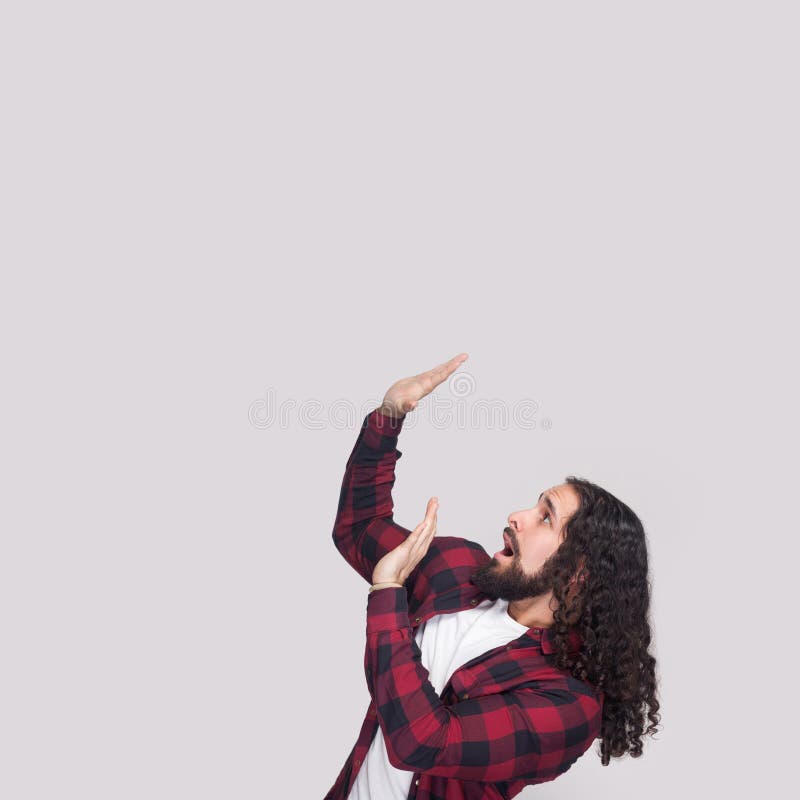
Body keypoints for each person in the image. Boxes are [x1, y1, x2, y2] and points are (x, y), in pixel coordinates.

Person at [323, 353, 660, 800]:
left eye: (545, 517)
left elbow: (422, 741)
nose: (517, 516)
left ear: (578, 573)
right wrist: (388, 418)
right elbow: (358, 528)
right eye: (534, 504)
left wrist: (388, 593)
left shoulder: (568, 707)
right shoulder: (457, 569)